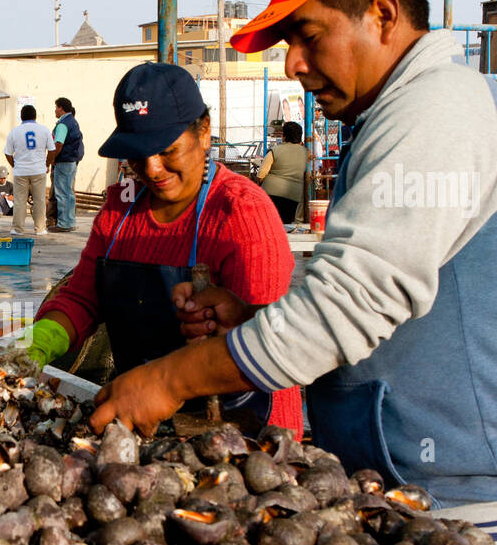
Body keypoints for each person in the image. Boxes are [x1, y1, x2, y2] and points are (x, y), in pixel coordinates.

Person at [92, 0, 497, 545]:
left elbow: (342, 310)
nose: (294, 64)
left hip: (493, 517)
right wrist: (251, 317)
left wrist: (168, 379)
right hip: (426, 508)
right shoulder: (398, 118)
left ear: (383, 15)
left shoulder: (438, 110)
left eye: (308, 35)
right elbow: (383, 299)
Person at [24, 64, 302, 434]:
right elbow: (82, 297)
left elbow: (268, 341)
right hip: (143, 419)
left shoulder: (239, 212)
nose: (152, 170)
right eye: (138, 155)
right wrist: (39, 341)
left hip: (243, 431)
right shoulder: (122, 206)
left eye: (168, 151)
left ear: (203, 133)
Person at [3, 104, 56, 235]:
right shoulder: (44, 130)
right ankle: (40, 228)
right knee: (39, 200)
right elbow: (52, 150)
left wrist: (15, 165)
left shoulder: (14, 132)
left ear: (21, 116)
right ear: (35, 116)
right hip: (38, 170)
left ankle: (18, 229)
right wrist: (46, 164)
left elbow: (8, 153)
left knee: (20, 200)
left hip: (21, 171)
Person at [257, 121, 307, 225]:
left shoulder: (275, 150)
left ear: (284, 135)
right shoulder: (307, 153)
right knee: (287, 225)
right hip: (295, 196)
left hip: (270, 193)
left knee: (269, 224)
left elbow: (261, 174)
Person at [50, 97, 84, 231]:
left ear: (61, 108)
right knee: (69, 192)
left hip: (63, 161)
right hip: (71, 161)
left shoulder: (63, 124)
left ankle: (63, 223)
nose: (55, 110)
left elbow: (58, 143)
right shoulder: (73, 122)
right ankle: (70, 221)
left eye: (56, 107)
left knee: (61, 192)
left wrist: (52, 158)